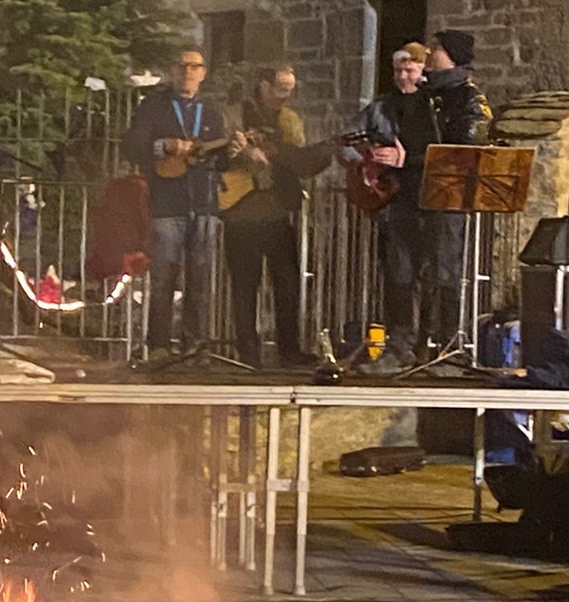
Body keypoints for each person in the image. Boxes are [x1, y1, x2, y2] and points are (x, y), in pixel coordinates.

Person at [122, 48, 243, 355]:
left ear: (203, 73)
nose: (189, 71)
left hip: (204, 204)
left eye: (196, 66)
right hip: (167, 204)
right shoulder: (153, 107)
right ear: (173, 71)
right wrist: (164, 146)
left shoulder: (213, 113)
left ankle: (195, 345)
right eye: (183, 66)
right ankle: (159, 344)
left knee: (200, 280)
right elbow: (133, 146)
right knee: (164, 276)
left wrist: (234, 150)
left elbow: (221, 162)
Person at [220, 65, 322, 367]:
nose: (285, 96)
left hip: (276, 209)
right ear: (263, 86)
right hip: (240, 209)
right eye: (280, 88)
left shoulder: (289, 119)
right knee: (244, 285)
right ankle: (247, 351)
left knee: (287, 282)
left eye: (290, 89)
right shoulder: (234, 114)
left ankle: (288, 349)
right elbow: (221, 151)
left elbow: (297, 157)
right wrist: (243, 152)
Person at [343, 43, 434, 374]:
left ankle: (428, 343)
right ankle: (399, 344)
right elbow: (346, 140)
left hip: (427, 198)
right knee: (398, 274)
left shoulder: (432, 107)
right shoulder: (380, 107)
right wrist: (368, 161)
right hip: (393, 202)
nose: (403, 76)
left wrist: (407, 158)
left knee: (430, 275)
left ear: (423, 70)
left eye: (410, 69)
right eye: (398, 70)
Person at [417, 29, 492, 356]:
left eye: (436, 48)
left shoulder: (468, 98)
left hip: (448, 194)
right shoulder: (424, 95)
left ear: (451, 55)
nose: (429, 53)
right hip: (413, 192)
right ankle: (418, 342)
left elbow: (467, 145)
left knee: (445, 268)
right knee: (416, 269)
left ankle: (446, 341)